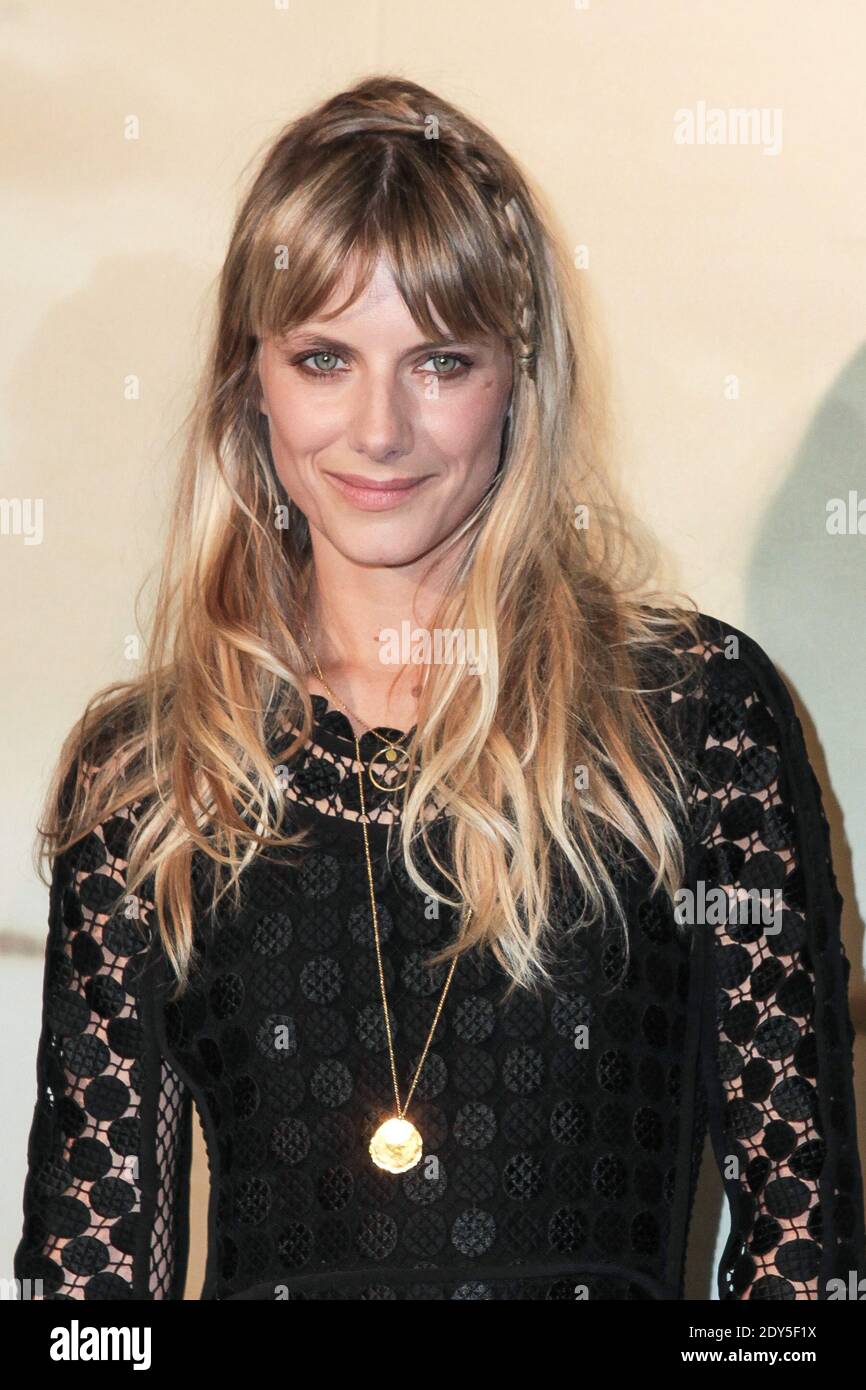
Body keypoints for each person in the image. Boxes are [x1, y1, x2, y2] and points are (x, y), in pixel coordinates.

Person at [13, 75, 865, 1302]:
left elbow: (805, 1256)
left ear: (517, 378)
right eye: (323, 357)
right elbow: (85, 1307)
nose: (378, 430)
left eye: (438, 360)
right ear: (251, 379)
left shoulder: (690, 715)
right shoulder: (149, 769)